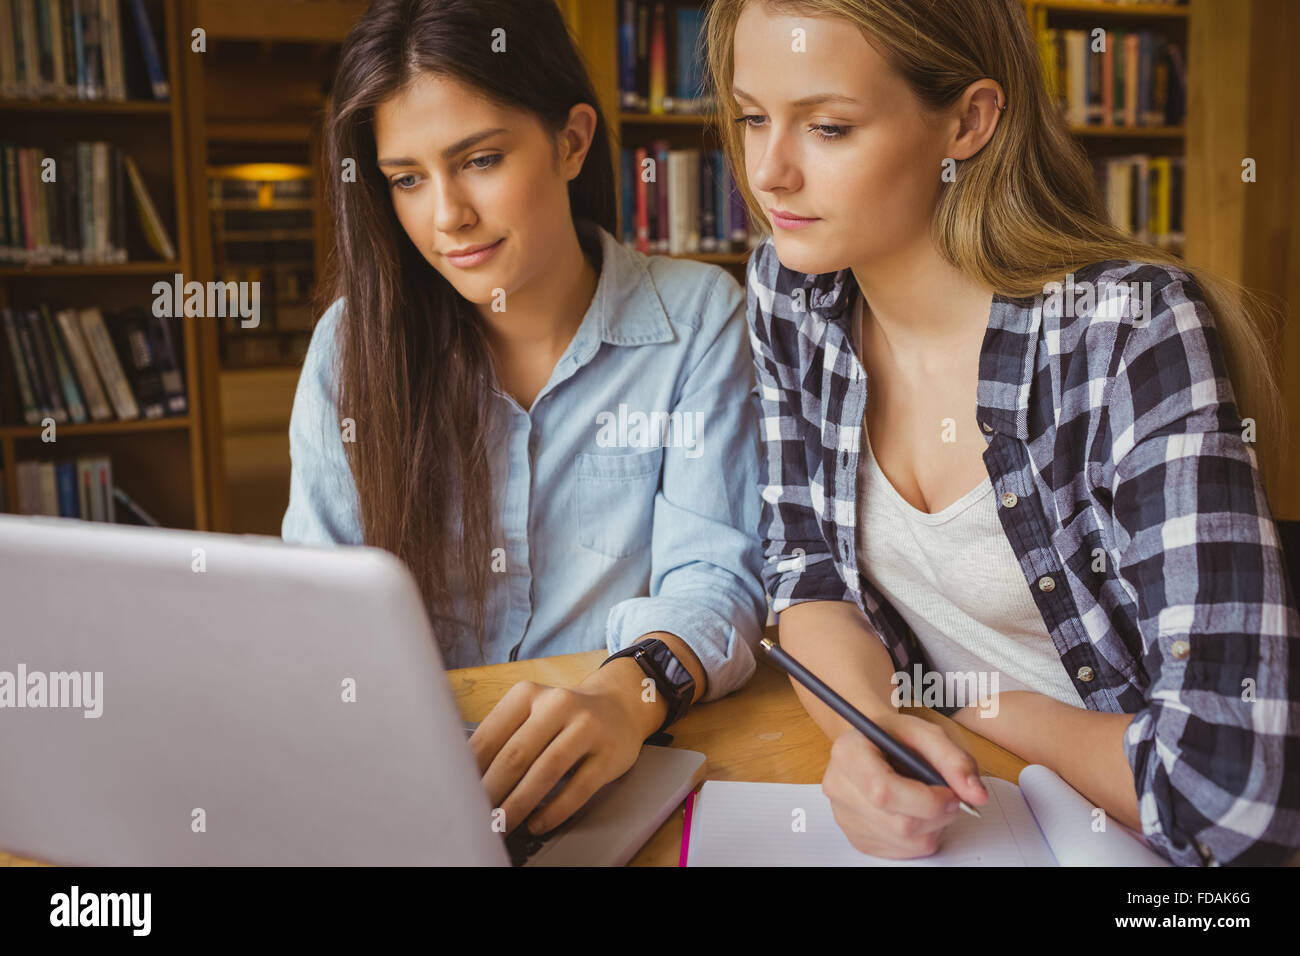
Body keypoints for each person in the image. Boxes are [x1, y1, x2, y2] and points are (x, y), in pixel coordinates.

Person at [703, 0, 1300, 865]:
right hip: (970, 810)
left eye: (828, 128)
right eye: (753, 116)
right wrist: (867, 735)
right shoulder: (792, 293)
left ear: (969, 121)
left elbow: (1229, 792)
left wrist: (981, 710)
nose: (767, 173)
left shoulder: (1128, 331)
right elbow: (807, 568)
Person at [283, 0, 765, 839]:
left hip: (614, 771)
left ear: (572, 141)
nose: (446, 216)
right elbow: (317, 606)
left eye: (479, 160)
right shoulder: (350, 347)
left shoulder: (696, 321)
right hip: (404, 788)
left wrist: (631, 690)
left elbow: (716, 574)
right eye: (406, 178)